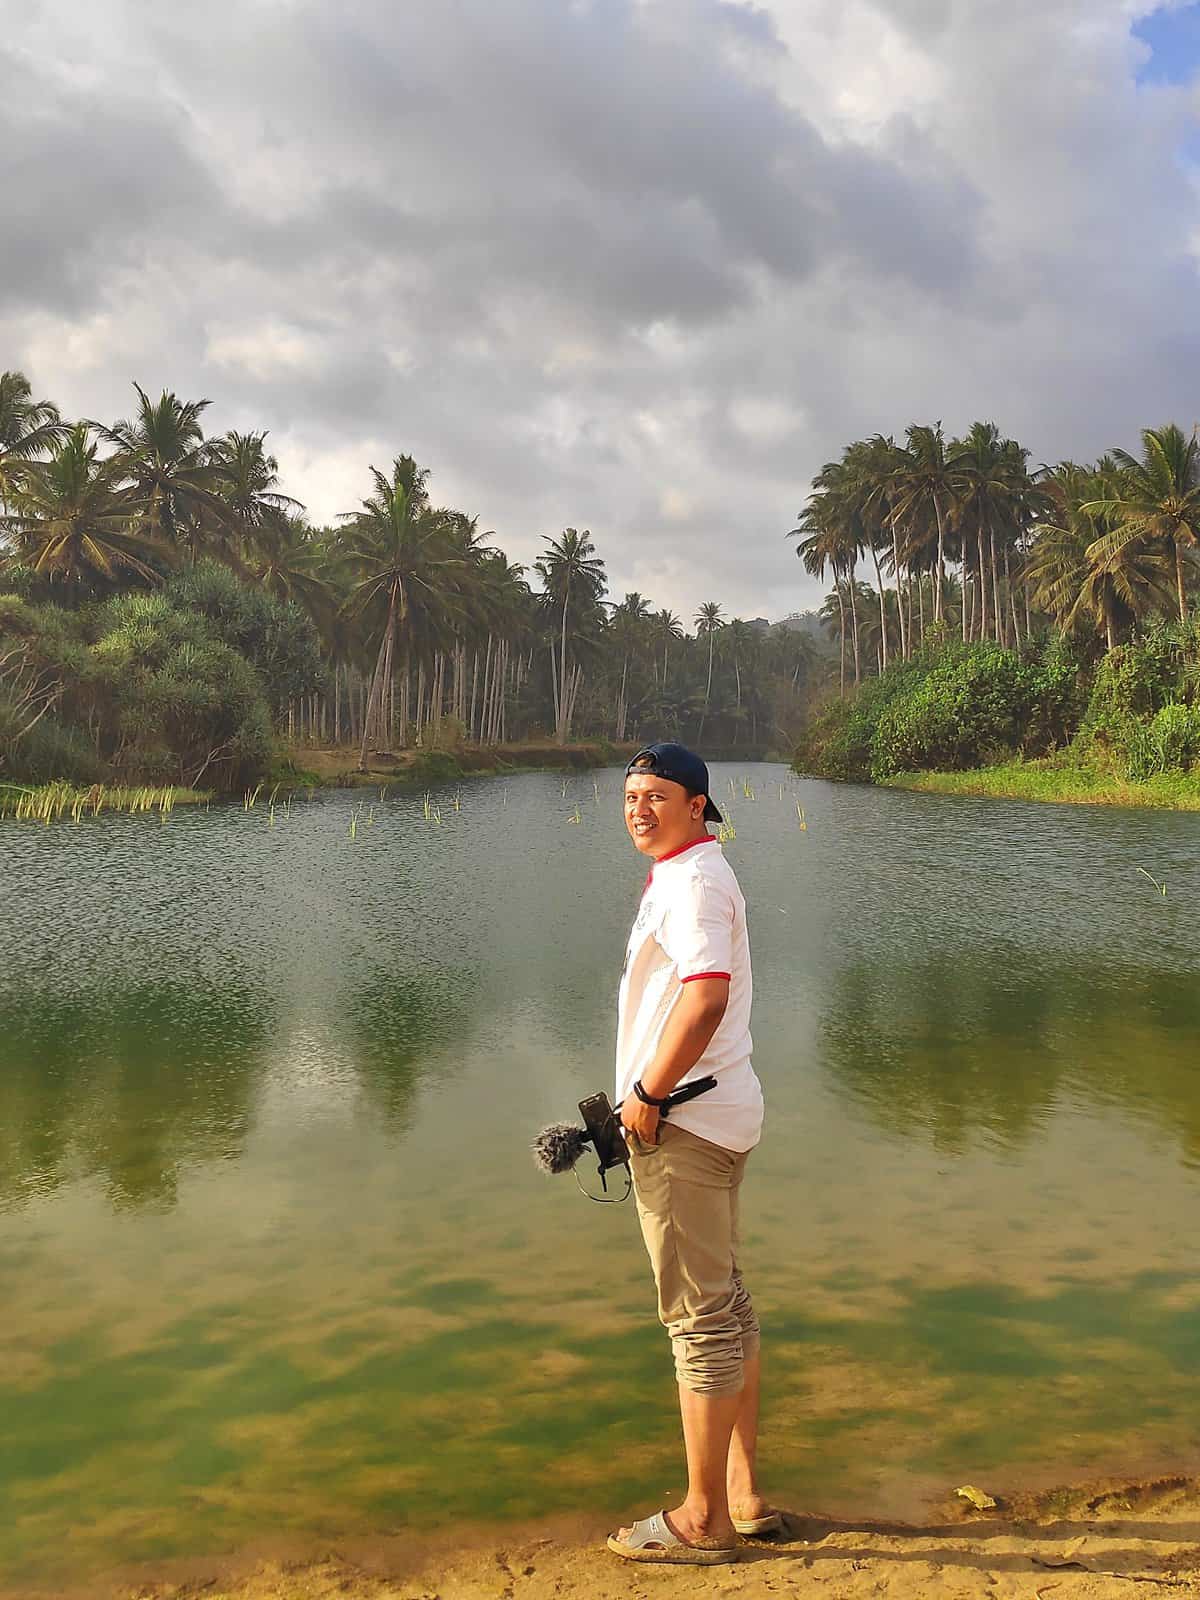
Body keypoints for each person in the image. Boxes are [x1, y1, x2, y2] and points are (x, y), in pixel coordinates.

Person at [606, 742, 776, 1567]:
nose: (640, 808)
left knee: (698, 1319)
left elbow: (705, 996)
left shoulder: (697, 882)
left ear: (698, 804)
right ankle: (743, 1493)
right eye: (632, 795)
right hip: (719, 1114)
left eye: (658, 795)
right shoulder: (691, 873)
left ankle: (701, 1519)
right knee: (728, 1301)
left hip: (687, 1128)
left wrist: (647, 1095)